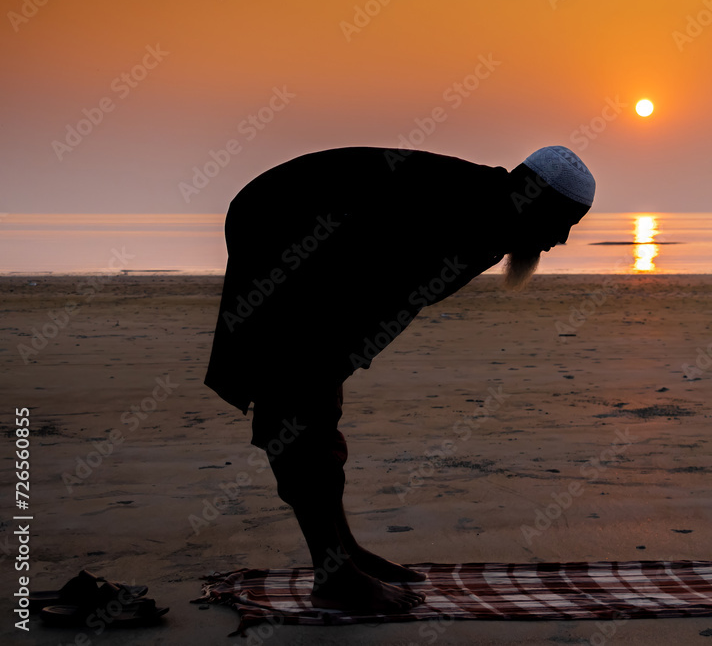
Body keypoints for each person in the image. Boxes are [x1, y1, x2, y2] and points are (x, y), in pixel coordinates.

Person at [204, 145, 596, 612]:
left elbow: (394, 298)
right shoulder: (464, 214)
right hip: (283, 222)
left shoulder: (496, 212)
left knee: (315, 402)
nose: (562, 241)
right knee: (298, 409)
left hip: (321, 241)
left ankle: (344, 552)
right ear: (537, 203)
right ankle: (334, 577)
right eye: (564, 224)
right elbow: (369, 287)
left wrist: (340, 362)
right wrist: (324, 366)